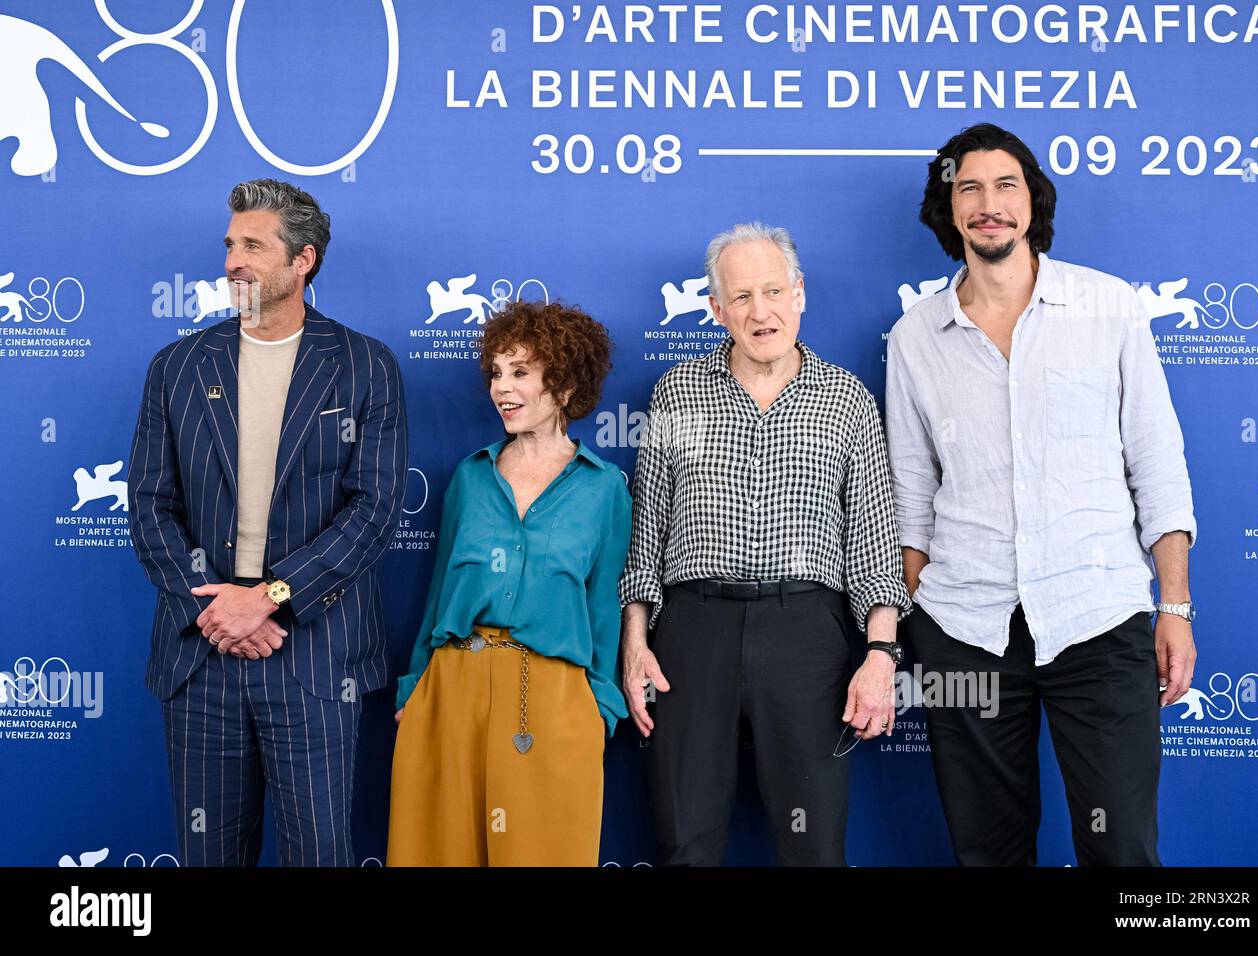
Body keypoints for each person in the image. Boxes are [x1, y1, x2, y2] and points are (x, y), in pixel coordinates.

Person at [886, 123, 1197, 866]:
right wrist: (922, 611)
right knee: (987, 852)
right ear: (948, 207)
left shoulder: (1109, 307)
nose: (987, 204)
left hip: (1099, 617)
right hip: (964, 631)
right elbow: (909, 495)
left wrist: (1175, 606)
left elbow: (1157, 463)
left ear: (1032, 202)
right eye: (968, 188)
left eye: (1005, 186)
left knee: (1122, 848)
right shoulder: (913, 338)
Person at [127, 179, 408, 866]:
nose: (233, 261)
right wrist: (218, 611)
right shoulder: (179, 367)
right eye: (230, 245)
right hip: (204, 651)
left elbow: (374, 510)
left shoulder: (365, 366)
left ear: (302, 261)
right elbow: (149, 503)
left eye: (254, 245)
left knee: (320, 853)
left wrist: (271, 598)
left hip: (313, 658)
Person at [618, 222, 911, 866]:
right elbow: (645, 539)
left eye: (773, 290)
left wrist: (881, 656)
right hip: (693, 633)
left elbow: (876, 551)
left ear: (799, 293)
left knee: (812, 850)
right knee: (684, 846)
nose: (761, 311)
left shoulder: (848, 399)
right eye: (742, 296)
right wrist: (635, 643)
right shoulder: (675, 392)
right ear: (718, 309)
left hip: (808, 633)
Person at [388, 300, 630, 866]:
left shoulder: (604, 488)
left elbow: (604, 610)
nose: (502, 387)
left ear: (565, 385)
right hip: (451, 690)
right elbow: (438, 594)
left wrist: (599, 708)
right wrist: (415, 690)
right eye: (497, 372)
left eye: (521, 371)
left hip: (554, 698)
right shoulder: (470, 477)